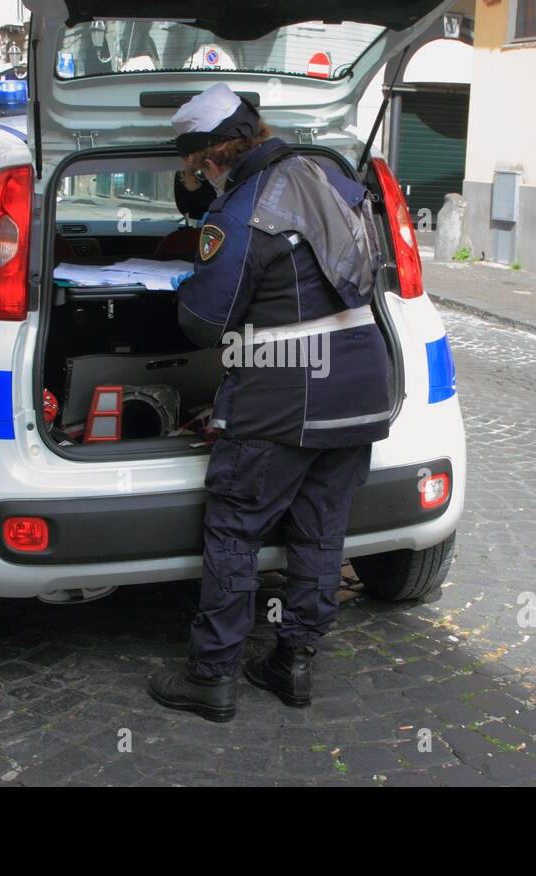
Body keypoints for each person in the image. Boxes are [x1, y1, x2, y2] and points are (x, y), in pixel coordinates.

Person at [147, 83, 391, 722]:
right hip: (362, 385)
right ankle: (294, 664)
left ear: (209, 158)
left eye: (195, 165)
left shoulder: (242, 209)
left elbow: (206, 319)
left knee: (235, 526)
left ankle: (213, 674)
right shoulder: (331, 176)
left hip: (284, 394)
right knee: (320, 528)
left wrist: (181, 287)